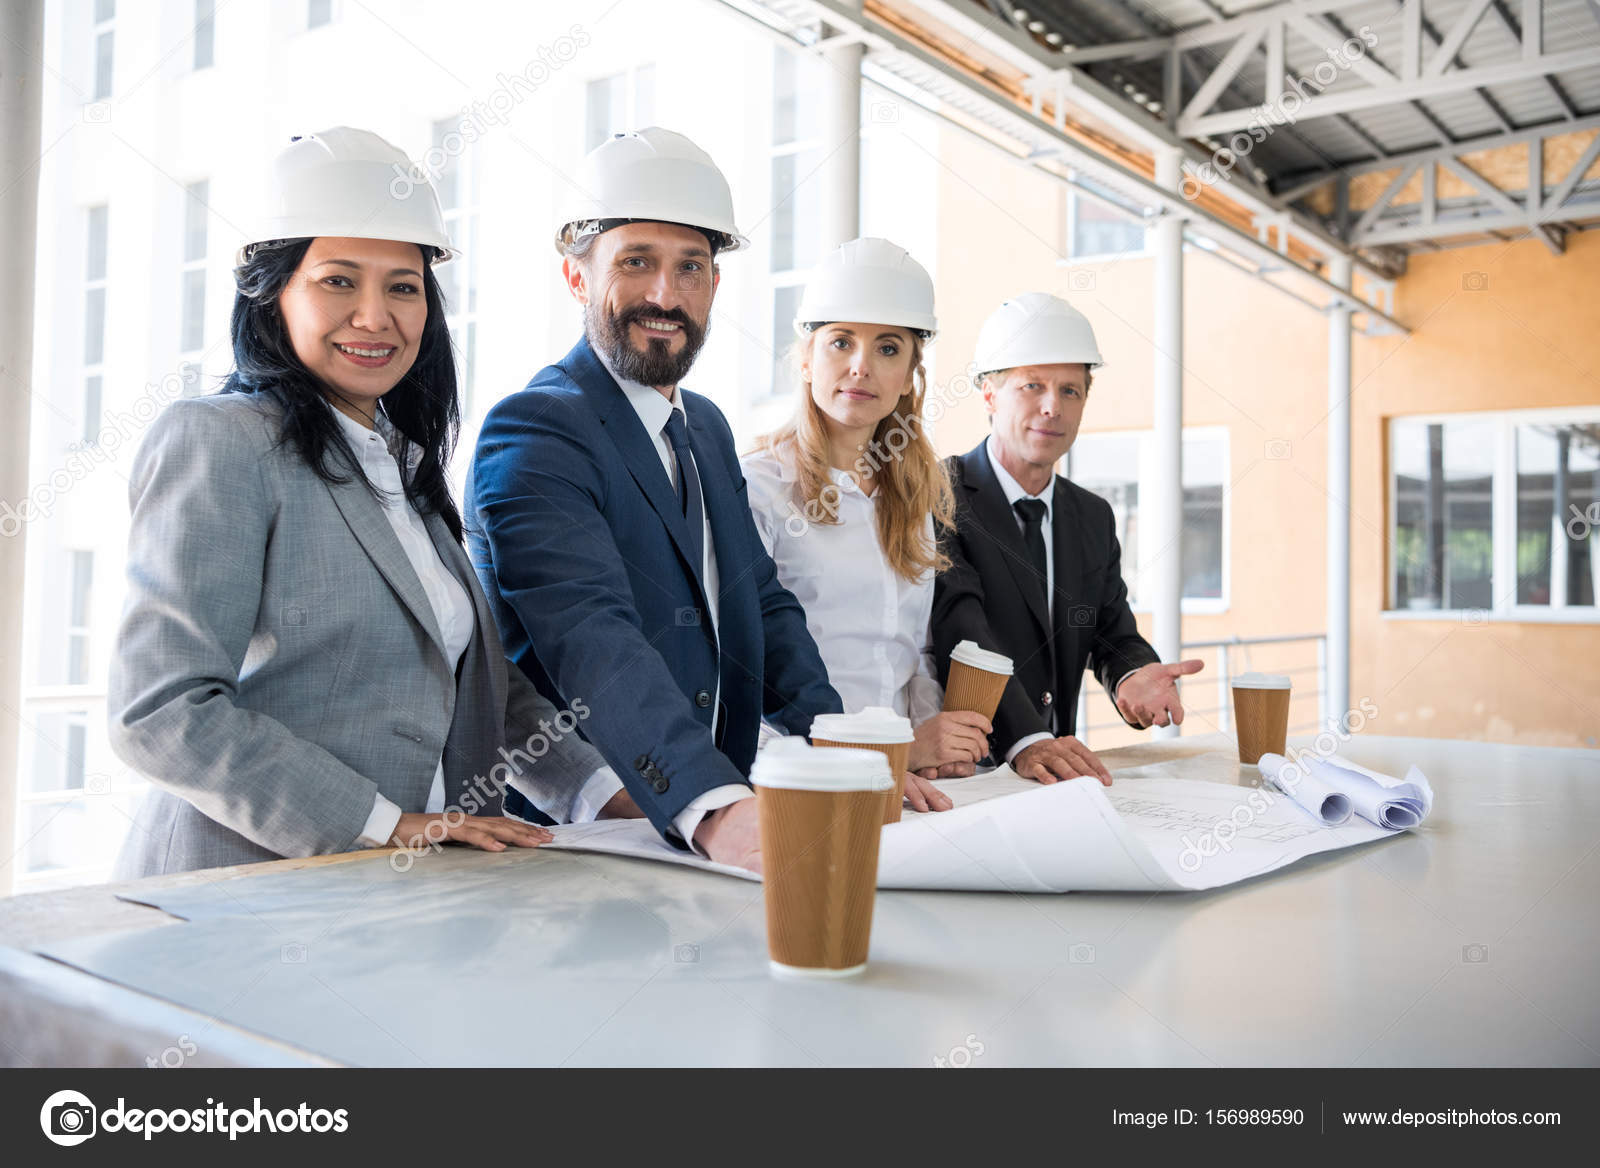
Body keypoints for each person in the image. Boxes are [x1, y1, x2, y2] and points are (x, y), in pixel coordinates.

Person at [108, 128, 630, 879]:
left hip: (396, 900)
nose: (375, 315)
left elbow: (476, 682)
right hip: (242, 895)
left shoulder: (400, 460)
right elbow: (160, 711)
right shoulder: (219, 442)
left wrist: (606, 796)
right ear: (271, 293)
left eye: (403, 286)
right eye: (338, 280)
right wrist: (386, 825)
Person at [467, 128, 861, 873]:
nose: (664, 296)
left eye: (691, 268)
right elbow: (591, 635)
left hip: (710, 818)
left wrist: (842, 753)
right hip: (589, 839)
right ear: (578, 278)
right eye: (636, 263)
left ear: (715, 285)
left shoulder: (705, 427)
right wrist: (710, 805)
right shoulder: (538, 427)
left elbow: (763, 604)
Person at [932, 292, 1204, 786]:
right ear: (989, 395)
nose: (1052, 407)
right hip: (967, 776)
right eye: (1031, 386)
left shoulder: (1091, 515)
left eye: (1070, 391)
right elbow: (964, 630)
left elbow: (1109, 630)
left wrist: (1132, 674)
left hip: (1057, 774)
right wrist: (1027, 739)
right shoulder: (940, 494)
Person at [743, 238, 981, 792]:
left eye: (888, 349)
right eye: (841, 342)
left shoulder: (913, 495)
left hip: (903, 780)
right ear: (806, 358)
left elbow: (910, 653)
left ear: (910, 373)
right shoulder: (757, 487)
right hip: (801, 784)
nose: (861, 367)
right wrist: (881, 755)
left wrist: (930, 742)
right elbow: (744, 669)